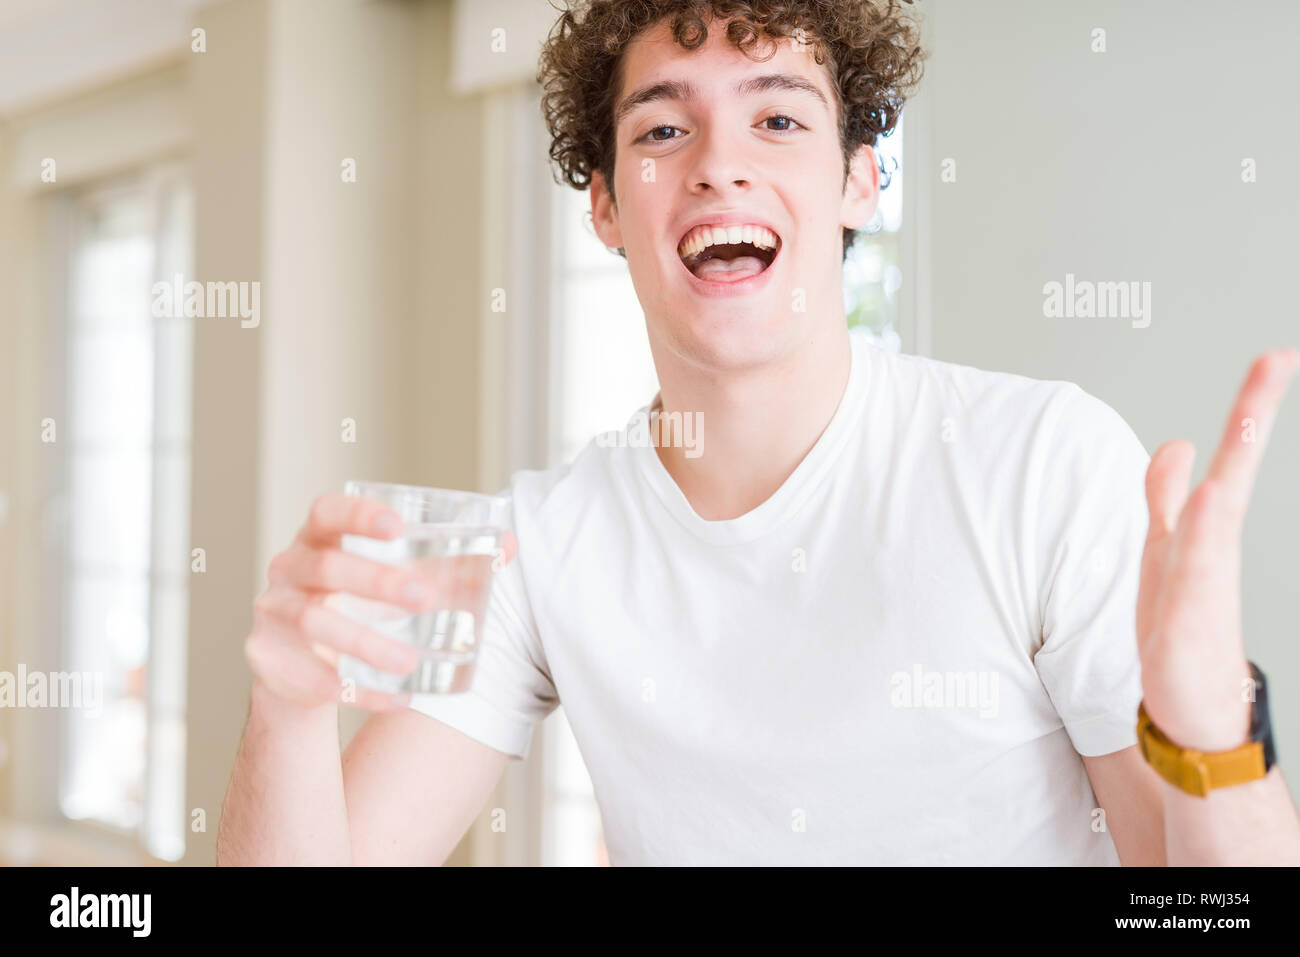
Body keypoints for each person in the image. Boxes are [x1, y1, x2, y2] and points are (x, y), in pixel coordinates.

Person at [217, 0, 1300, 865]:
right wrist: (288, 711)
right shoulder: (539, 551)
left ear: (859, 180)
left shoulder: (1042, 466)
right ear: (602, 206)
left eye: (777, 118)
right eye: (662, 127)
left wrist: (1216, 738)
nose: (718, 164)